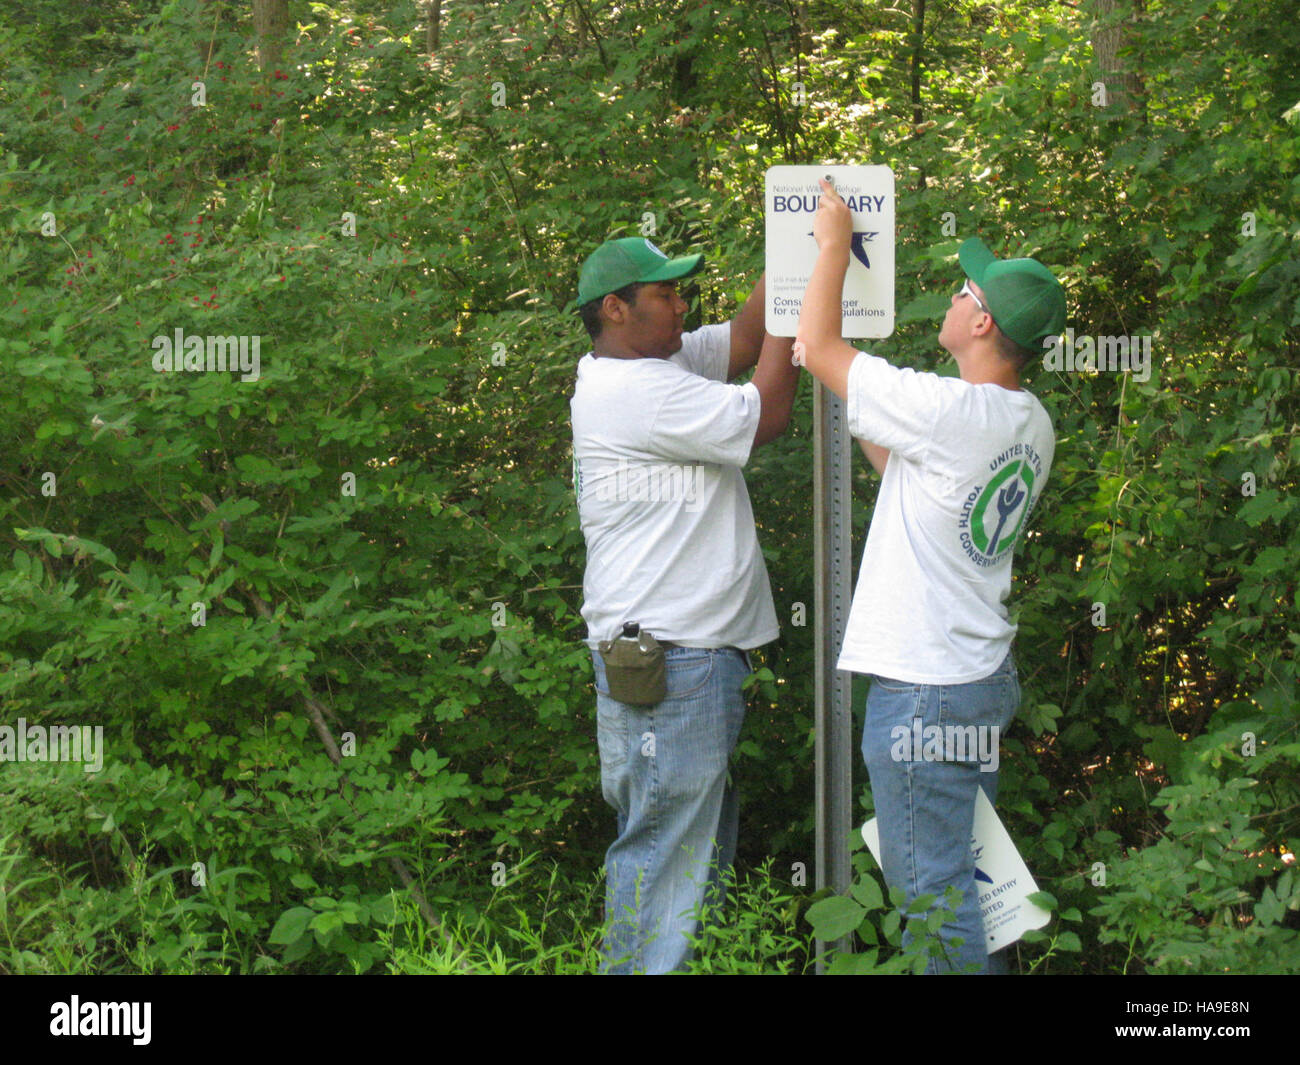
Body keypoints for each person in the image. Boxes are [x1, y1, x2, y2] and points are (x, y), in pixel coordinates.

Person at [794, 179, 1065, 974]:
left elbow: (818, 347)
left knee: (936, 901)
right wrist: (857, 393)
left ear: (981, 323)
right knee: (971, 885)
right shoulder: (1029, 421)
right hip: (976, 676)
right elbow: (908, 472)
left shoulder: (951, 412)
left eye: (962, 291)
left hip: (926, 690)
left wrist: (834, 245)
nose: (951, 296)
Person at [570, 236, 800, 974]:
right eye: (665, 294)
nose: (681, 305)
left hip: (673, 662)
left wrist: (795, 251)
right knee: (667, 876)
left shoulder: (650, 365)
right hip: (675, 664)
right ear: (615, 308)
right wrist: (800, 301)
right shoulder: (638, 392)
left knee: (679, 869)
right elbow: (766, 413)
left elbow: (744, 338)